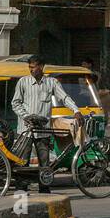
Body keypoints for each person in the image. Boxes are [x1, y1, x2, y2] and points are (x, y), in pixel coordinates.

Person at [11, 56, 85, 192]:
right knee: (22, 163)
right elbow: (15, 103)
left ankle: (44, 190)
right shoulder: (23, 82)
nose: (31, 70)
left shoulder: (51, 82)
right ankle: (21, 192)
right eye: (30, 67)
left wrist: (76, 110)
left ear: (41, 66)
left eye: (33, 67)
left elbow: (64, 97)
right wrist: (26, 116)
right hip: (26, 130)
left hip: (43, 130)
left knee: (44, 163)